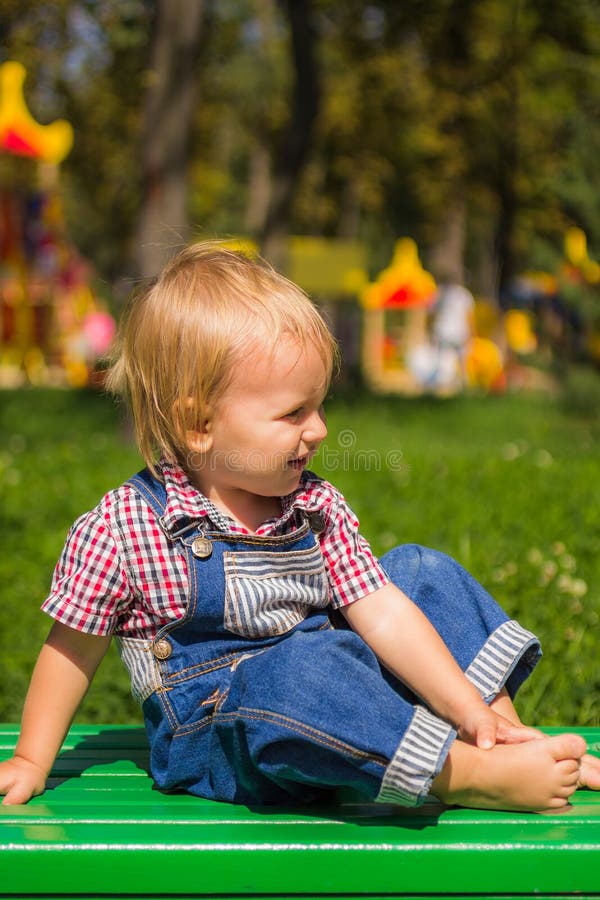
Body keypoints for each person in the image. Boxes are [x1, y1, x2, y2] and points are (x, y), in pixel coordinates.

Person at [1, 243, 599, 810]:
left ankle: (506, 738)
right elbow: (71, 647)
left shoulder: (313, 506)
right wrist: (32, 758)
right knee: (300, 674)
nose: (318, 430)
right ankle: (463, 775)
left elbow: (380, 611)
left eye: (318, 405)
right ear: (198, 424)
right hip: (223, 728)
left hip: (330, 683)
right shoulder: (127, 525)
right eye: (293, 413)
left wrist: (470, 708)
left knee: (419, 572)